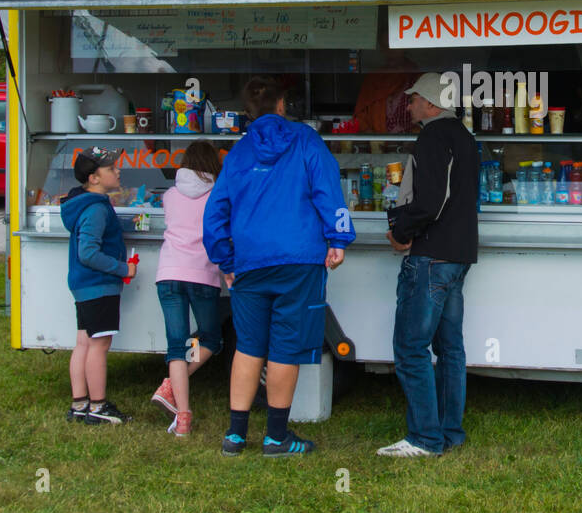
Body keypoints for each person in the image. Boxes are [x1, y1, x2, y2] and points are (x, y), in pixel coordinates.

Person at [203, 76, 355, 457]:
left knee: (249, 346)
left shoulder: (237, 154)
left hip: (250, 262)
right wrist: (337, 239)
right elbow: (328, 190)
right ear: (283, 105)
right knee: (286, 348)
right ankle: (276, 437)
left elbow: (215, 213)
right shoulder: (306, 141)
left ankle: (235, 436)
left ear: (249, 111)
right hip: (299, 260)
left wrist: (225, 258)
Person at [379, 72, 480, 457]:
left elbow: (431, 202)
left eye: (415, 99)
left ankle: (424, 438)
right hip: (459, 254)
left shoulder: (432, 137)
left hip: (431, 256)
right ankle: (449, 432)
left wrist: (401, 229)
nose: (410, 104)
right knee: (451, 348)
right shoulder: (466, 138)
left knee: (411, 347)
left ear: (433, 104)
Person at [151, 140, 225, 437]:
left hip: (168, 274)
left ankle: (182, 417)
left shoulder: (169, 194)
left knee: (176, 346)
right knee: (211, 338)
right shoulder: (218, 195)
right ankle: (168, 385)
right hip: (202, 274)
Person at [59, 147, 136, 425]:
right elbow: (88, 252)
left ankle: (80, 403)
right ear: (94, 178)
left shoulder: (84, 204)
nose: (117, 171)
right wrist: (122, 268)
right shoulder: (96, 209)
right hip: (99, 285)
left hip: (84, 285)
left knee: (84, 342)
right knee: (99, 345)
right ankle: (98, 406)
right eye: (111, 168)